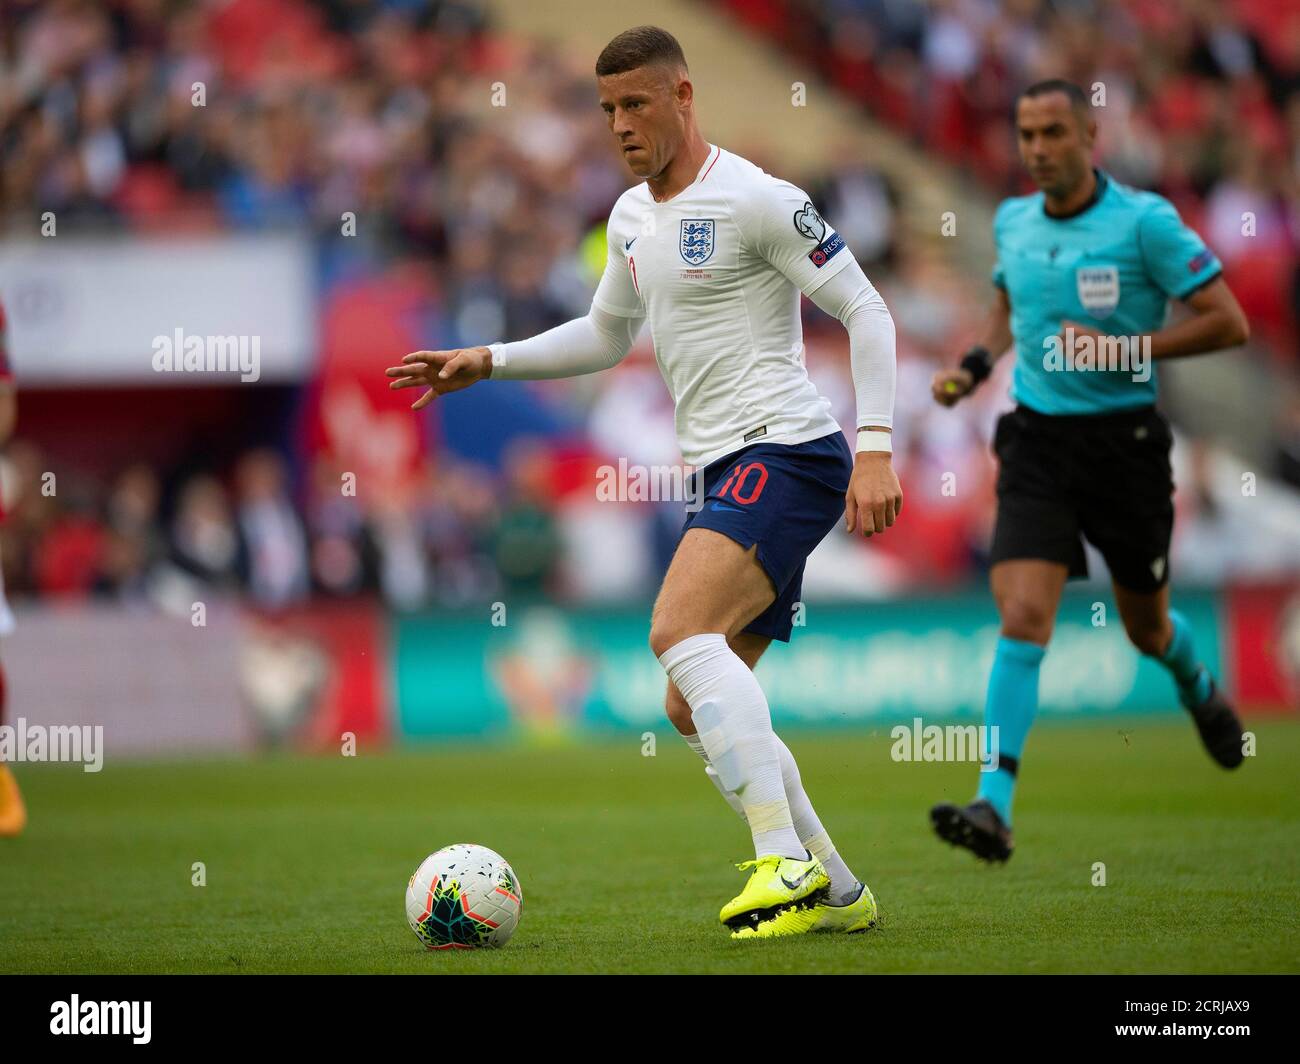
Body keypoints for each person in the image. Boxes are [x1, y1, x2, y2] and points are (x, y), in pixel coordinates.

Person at [387, 26, 901, 938]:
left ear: (683, 96)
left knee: (675, 630)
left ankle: (783, 862)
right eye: (607, 109)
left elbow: (864, 307)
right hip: (724, 466)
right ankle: (839, 888)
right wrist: (488, 359)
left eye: (636, 104)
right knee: (689, 700)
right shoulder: (628, 217)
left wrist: (876, 446)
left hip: (786, 448)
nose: (620, 124)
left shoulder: (758, 200)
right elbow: (605, 336)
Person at [929, 80, 1250, 863]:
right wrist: (976, 366)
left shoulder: (1144, 224)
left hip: (1125, 448)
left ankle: (1194, 683)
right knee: (1024, 615)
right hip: (1037, 441)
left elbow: (1229, 322)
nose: (1036, 149)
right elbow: (1008, 305)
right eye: (1026, 133)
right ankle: (994, 805)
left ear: (1090, 134)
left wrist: (1128, 348)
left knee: (1146, 627)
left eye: (1052, 133)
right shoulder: (1012, 221)